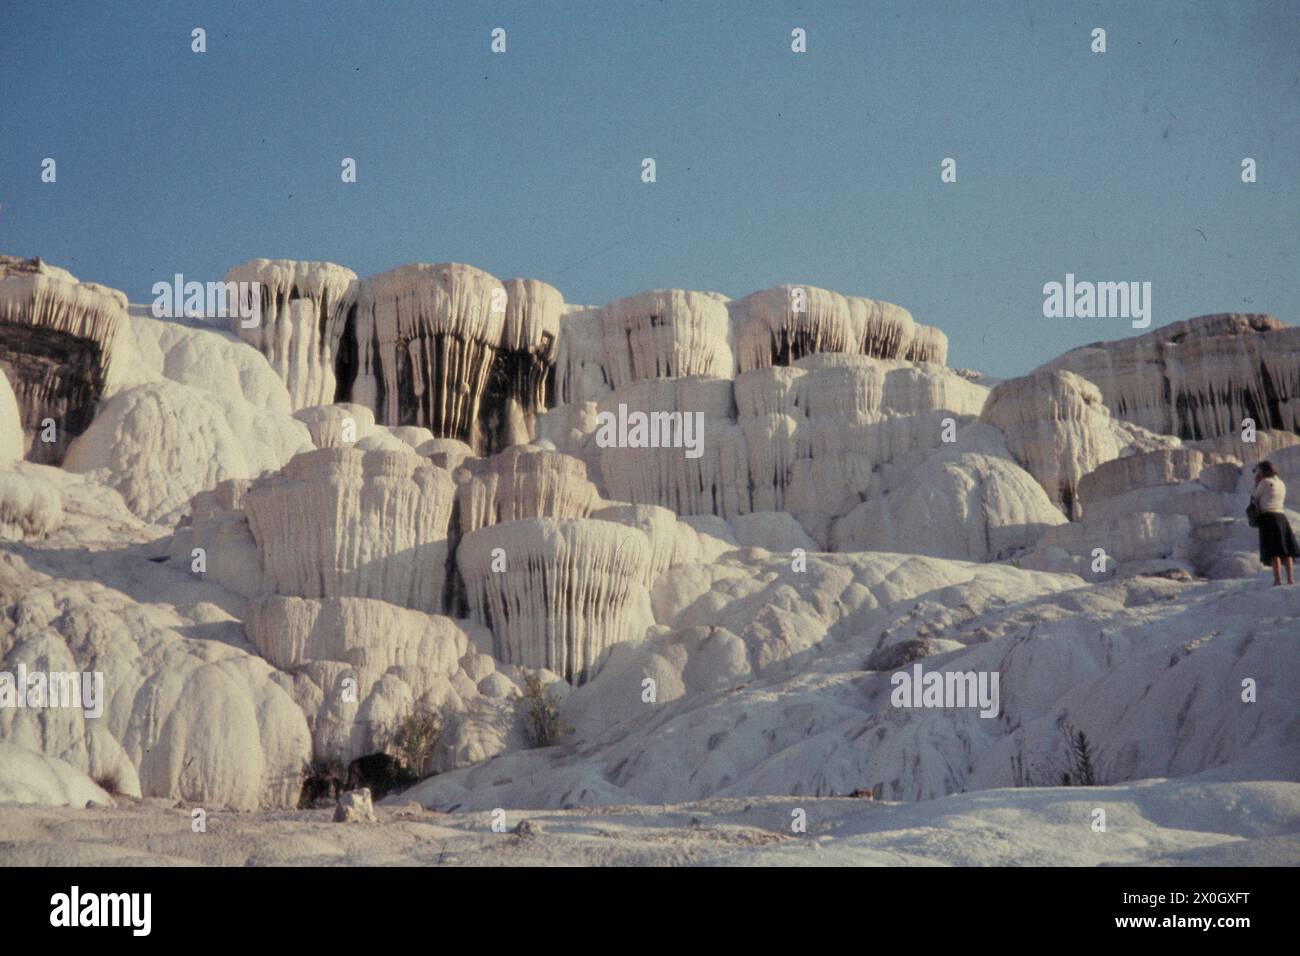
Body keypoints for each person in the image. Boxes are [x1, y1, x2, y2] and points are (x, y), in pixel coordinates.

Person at [1251, 460, 1298, 585]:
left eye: (1259, 470)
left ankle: (1278, 580)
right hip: (1281, 516)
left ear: (1264, 470)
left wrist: (1257, 482)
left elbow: (1255, 498)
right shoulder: (1281, 483)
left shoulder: (1264, 482)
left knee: (1274, 551)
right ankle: (1290, 579)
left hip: (1269, 517)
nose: (1258, 472)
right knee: (1287, 551)